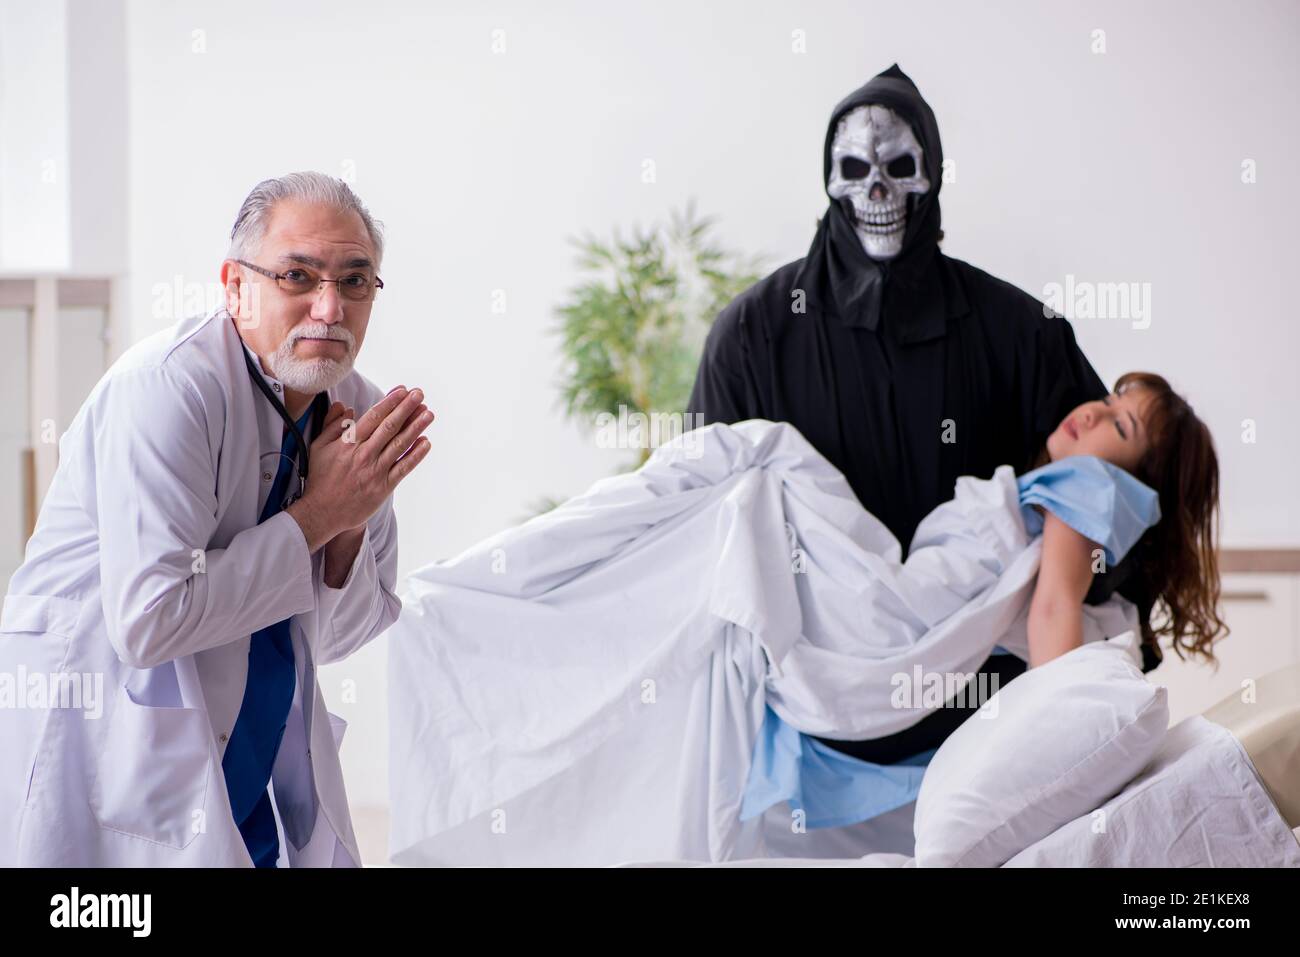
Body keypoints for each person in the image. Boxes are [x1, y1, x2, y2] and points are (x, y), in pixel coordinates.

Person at [387, 372, 1225, 865]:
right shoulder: (1070, 489)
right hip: (891, 600)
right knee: (746, 477)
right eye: (1108, 396)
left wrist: (1049, 725)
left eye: (1120, 424)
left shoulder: (1089, 495)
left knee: (756, 467)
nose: (1092, 411)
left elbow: (1052, 609)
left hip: (885, 613)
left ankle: (494, 598)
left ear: (1139, 480)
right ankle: (505, 595)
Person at [686, 64, 1152, 762]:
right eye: (855, 169)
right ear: (830, 178)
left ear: (929, 174)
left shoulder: (1022, 335)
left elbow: (1110, 509)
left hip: (992, 737)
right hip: (812, 736)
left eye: (899, 167)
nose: (877, 190)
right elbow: (701, 531)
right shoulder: (752, 338)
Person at [0, 172, 433, 867]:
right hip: (96, 714)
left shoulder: (357, 406)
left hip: (241, 722)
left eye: (356, 280)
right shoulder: (169, 387)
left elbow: (348, 629)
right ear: (235, 286)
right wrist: (321, 511)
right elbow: (148, 619)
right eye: (299, 275)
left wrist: (348, 520)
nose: (330, 306)